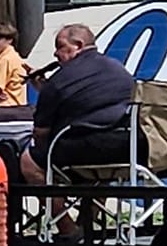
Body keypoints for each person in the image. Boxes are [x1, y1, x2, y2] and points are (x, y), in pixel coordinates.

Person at [19, 24, 134, 184]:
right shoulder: (120, 70)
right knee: (99, 168)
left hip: (81, 152)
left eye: (60, 46)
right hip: (126, 148)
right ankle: (92, 209)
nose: (55, 53)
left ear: (78, 46)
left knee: (29, 162)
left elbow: (41, 133)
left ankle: (58, 209)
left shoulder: (59, 80)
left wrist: (46, 92)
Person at [0, 22, 29, 107]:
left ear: (10, 40)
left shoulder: (5, 60)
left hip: (5, 108)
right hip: (19, 107)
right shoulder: (17, 58)